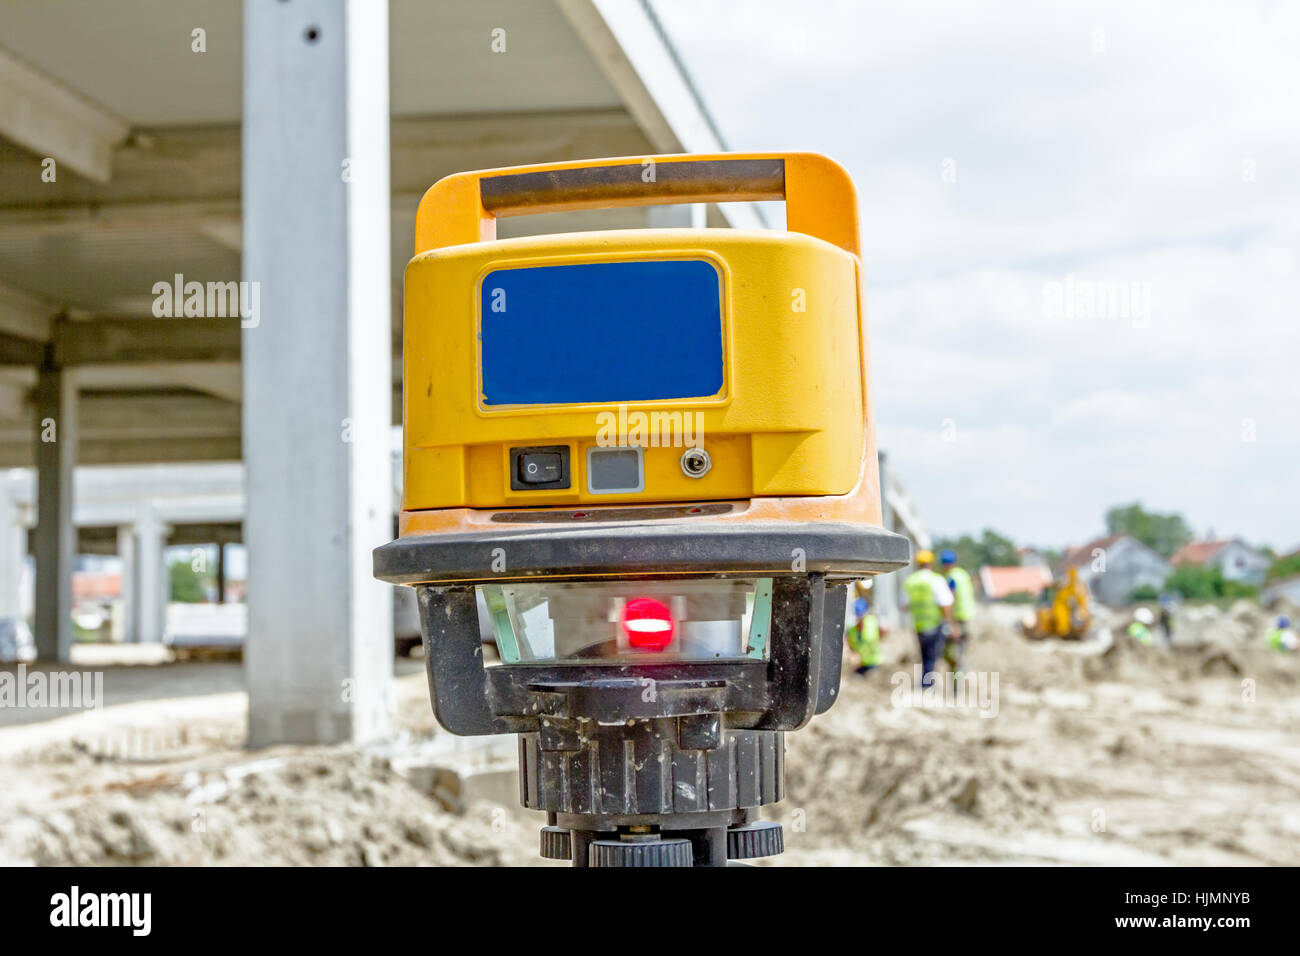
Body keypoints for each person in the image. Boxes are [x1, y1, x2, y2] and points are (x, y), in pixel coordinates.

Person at [903, 549, 954, 686]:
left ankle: (925, 682)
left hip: (919, 625)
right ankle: (928, 684)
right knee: (932, 657)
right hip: (934, 623)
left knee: (924, 656)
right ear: (931, 563)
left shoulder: (911, 581)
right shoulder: (936, 579)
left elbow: (904, 605)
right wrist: (949, 622)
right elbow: (945, 603)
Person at [939, 548, 975, 672]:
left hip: (957, 617)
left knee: (953, 652)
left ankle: (959, 673)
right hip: (967, 615)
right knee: (960, 649)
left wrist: (951, 621)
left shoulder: (951, 577)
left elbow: (951, 598)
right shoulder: (962, 574)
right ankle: (959, 671)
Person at [845, 590, 882, 675]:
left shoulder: (872, 621)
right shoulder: (852, 629)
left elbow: (884, 631)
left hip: (874, 663)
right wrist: (852, 655)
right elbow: (850, 645)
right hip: (860, 665)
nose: (860, 618)